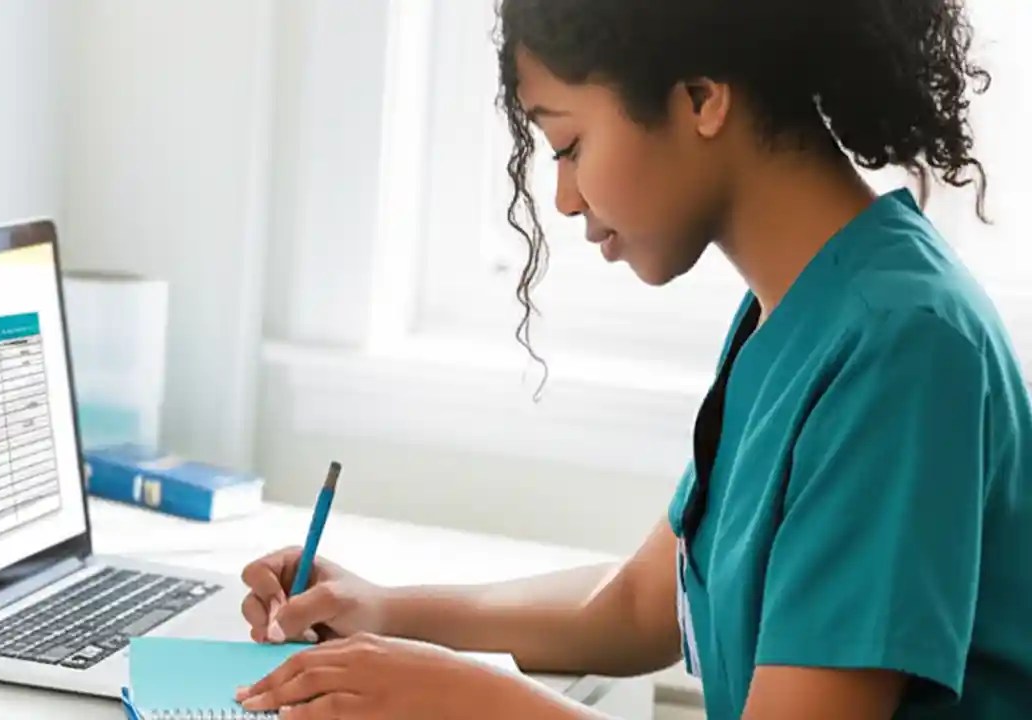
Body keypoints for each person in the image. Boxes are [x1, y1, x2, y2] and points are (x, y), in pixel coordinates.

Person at [234, 0, 1032, 717]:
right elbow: (643, 602)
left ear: (700, 98)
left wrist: (456, 699)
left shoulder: (902, 348)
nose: (565, 198)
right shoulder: (794, 309)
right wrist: (387, 611)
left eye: (569, 143)